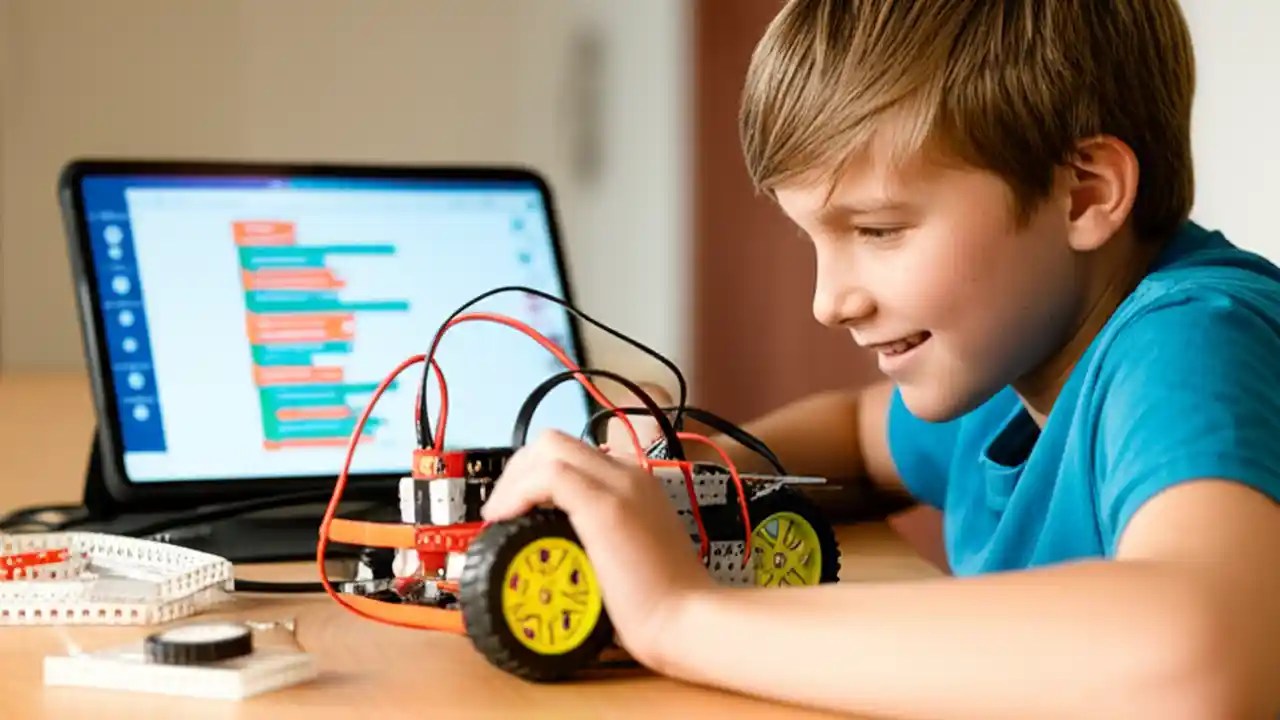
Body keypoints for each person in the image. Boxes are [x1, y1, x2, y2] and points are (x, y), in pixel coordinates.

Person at [483, 0, 1280, 716]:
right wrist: (684, 484)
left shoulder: (1193, 339)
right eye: (814, 238)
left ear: (1084, 193)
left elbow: (1204, 657)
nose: (829, 301)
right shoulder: (1013, 361)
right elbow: (858, 441)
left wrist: (679, 615)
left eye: (878, 231)